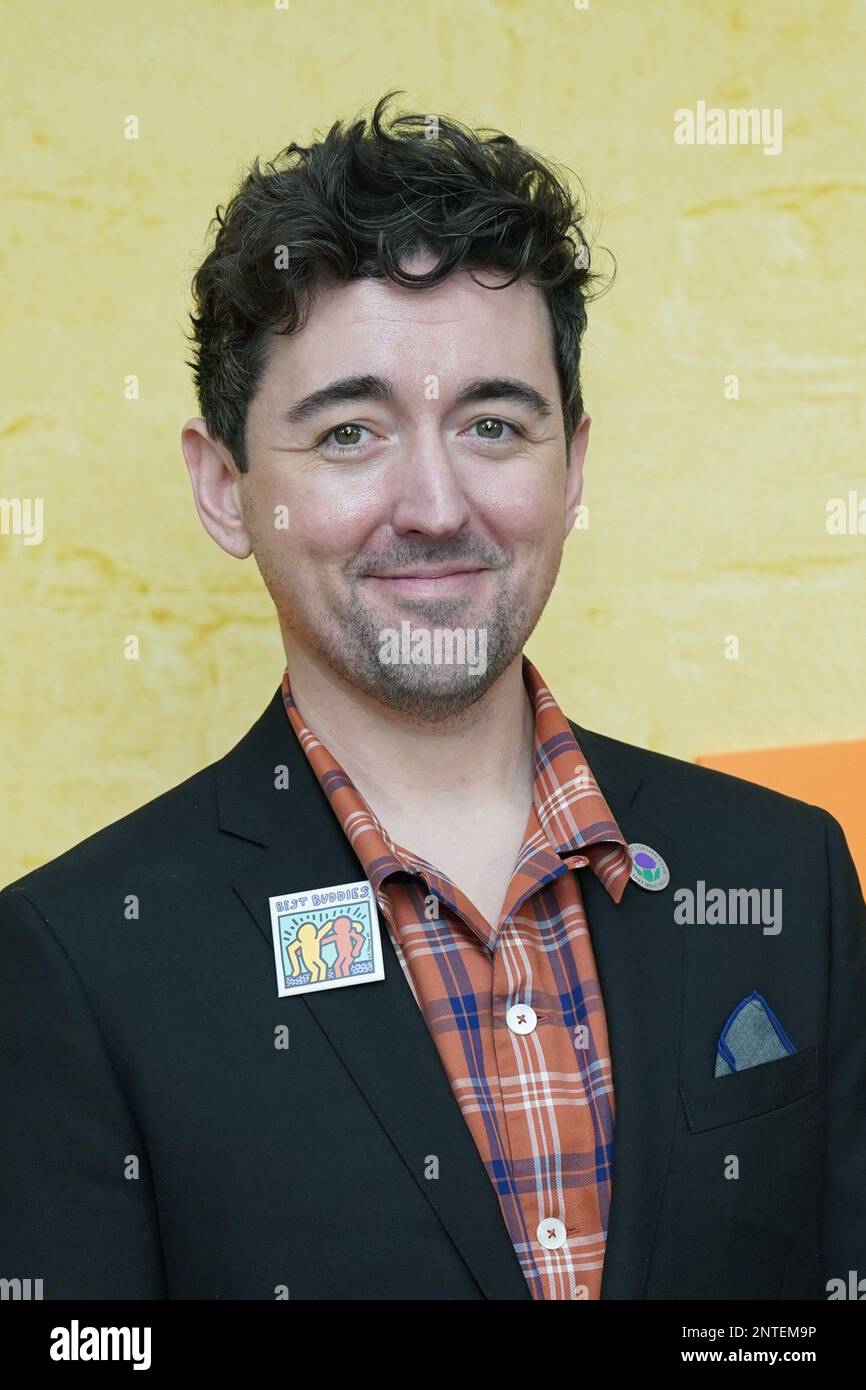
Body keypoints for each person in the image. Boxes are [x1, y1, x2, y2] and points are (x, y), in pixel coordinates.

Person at [1, 91, 864, 1302]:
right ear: (223, 487)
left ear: (574, 465)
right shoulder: (76, 964)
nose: (436, 505)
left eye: (493, 424)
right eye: (349, 431)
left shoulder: (787, 878)